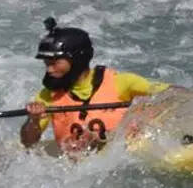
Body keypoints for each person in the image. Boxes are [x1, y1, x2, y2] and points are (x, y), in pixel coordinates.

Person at [20, 18, 169, 154]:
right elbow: (28, 143)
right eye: (46, 64)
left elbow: (172, 94)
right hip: (78, 163)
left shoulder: (122, 82)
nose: (49, 69)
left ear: (77, 59)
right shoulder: (46, 96)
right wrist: (33, 119)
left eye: (54, 63)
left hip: (127, 153)